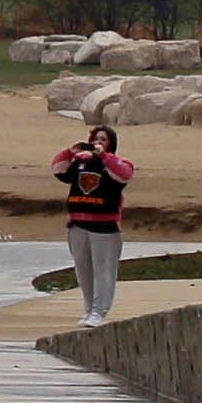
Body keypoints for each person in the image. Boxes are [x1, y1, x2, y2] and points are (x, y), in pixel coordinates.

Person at [55, 125, 134, 325]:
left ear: (111, 144)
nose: (99, 142)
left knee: (103, 270)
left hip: (105, 227)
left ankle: (100, 311)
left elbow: (124, 175)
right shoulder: (81, 162)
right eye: (96, 138)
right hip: (77, 225)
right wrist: (71, 151)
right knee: (83, 270)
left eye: (104, 139)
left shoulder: (117, 164)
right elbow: (58, 169)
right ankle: (89, 309)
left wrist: (104, 156)